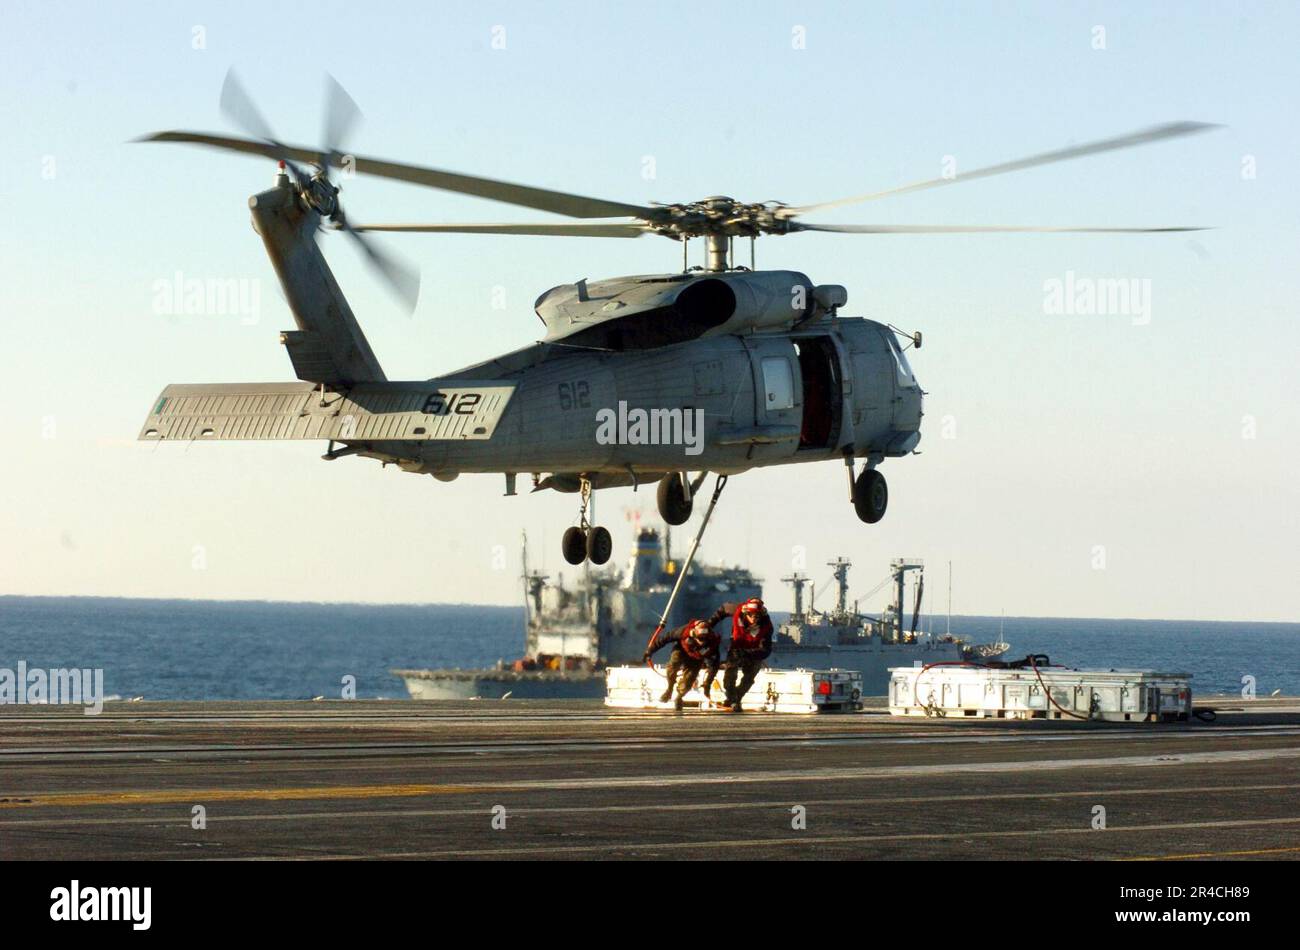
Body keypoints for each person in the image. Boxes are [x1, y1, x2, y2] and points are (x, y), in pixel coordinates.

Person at [709, 597, 774, 711]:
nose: (754, 618)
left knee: (749, 678)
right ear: (746, 613)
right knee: (729, 678)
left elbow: (765, 650)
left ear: (761, 615)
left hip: (753, 653)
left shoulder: (767, 627)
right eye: (751, 615)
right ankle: (733, 700)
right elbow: (723, 609)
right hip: (736, 650)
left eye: (757, 616)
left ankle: (734, 699)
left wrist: (748, 653)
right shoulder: (737, 610)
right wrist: (709, 625)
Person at [642, 619, 721, 710]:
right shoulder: (683, 632)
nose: (702, 642)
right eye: (700, 638)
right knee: (673, 663)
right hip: (681, 650)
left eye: (704, 639)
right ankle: (669, 689)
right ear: (693, 634)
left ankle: (679, 697)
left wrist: (707, 684)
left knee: (688, 681)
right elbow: (664, 639)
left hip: (696, 659)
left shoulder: (713, 641)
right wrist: (649, 651)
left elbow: (714, 665)